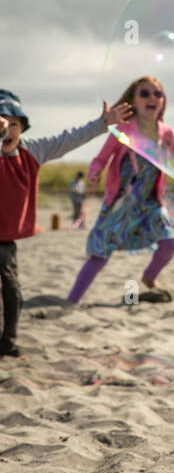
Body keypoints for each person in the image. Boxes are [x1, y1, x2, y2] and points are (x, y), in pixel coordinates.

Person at [0, 89, 134, 357]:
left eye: (13, 124)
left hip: (5, 239)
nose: (8, 130)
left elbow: (68, 139)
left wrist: (102, 123)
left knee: (12, 289)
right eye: (2, 123)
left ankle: (9, 341)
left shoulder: (33, 151)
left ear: (22, 128)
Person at [66, 77, 174, 305]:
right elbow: (100, 158)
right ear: (133, 101)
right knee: (99, 254)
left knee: (170, 242)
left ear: (163, 101)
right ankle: (71, 300)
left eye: (158, 94)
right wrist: (94, 173)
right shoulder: (123, 130)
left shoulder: (167, 134)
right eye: (145, 94)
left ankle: (149, 278)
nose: (152, 98)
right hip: (122, 202)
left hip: (151, 203)